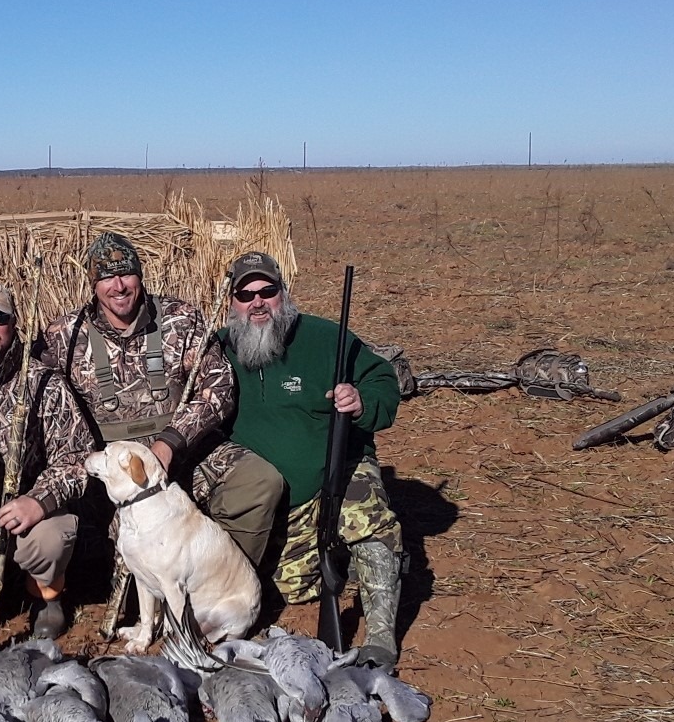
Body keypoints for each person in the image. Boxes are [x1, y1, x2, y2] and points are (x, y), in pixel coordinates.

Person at [36, 232, 284, 570]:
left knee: (259, 481)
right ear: (94, 284)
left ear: (140, 276)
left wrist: (170, 442)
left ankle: (220, 580)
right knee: (123, 564)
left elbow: (220, 386)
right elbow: (43, 401)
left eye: (126, 273)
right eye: (107, 276)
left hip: (182, 456)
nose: (119, 285)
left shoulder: (180, 319)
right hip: (113, 473)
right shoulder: (64, 334)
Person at [216, 251, 406, 666]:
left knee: (368, 518)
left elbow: (383, 381)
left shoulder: (325, 339)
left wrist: (361, 401)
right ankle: (339, 560)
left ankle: (379, 637)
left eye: (269, 290)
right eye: (245, 294)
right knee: (290, 586)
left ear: (284, 293)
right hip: (278, 500)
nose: (257, 302)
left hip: (339, 473)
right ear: (231, 301)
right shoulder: (218, 351)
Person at [0, 280, 97, 639]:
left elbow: (77, 457)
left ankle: (45, 593)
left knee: (51, 539)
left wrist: (38, 501)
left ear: (15, 323)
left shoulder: (42, 382)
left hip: (24, 518)